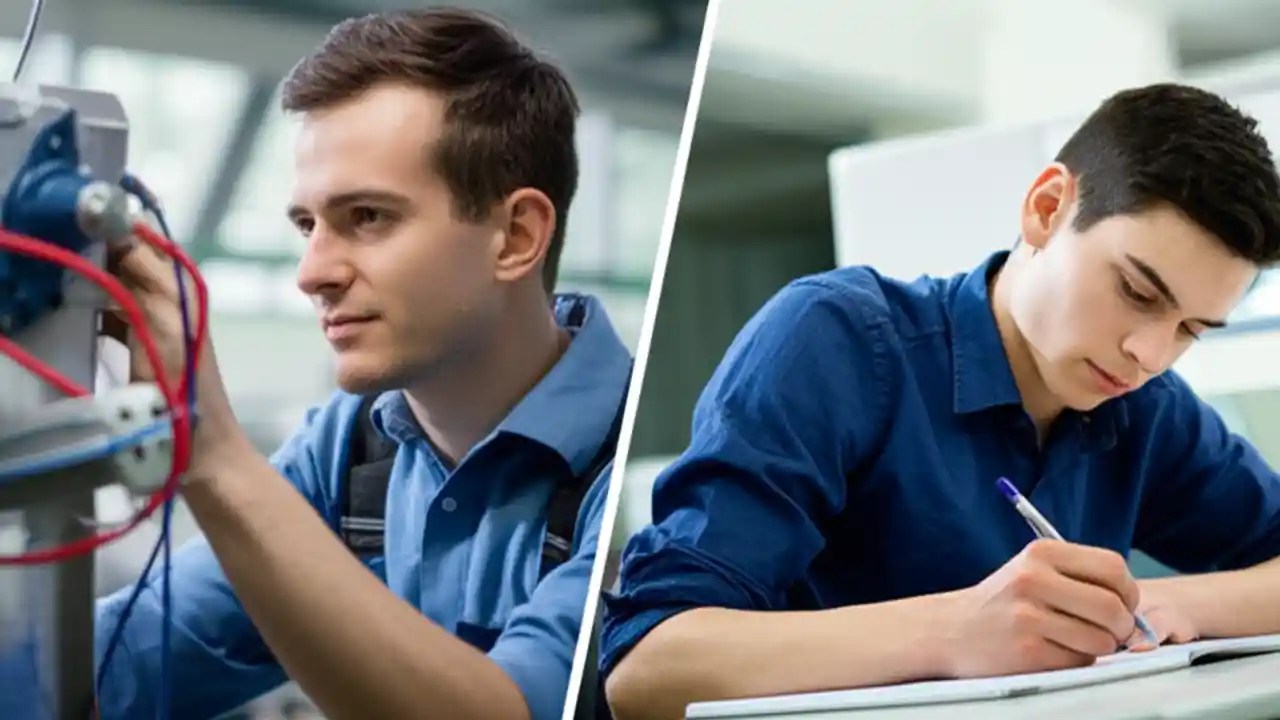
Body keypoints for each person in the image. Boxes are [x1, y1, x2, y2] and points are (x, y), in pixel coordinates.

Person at [599, 82, 1280, 720]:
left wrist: (1166, 602)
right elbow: (646, 665)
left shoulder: (1146, 408)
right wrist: (955, 633)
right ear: (1046, 209)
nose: (1152, 354)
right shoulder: (838, 341)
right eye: (1136, 292)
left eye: (1191, 329)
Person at [93, 9, 632, 720]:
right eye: (307, 225)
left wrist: (212, 452)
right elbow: (119, 661)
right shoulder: (348, 450)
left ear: (515, 236)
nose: (312, 272)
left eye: (368, 217)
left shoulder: (628, 474)